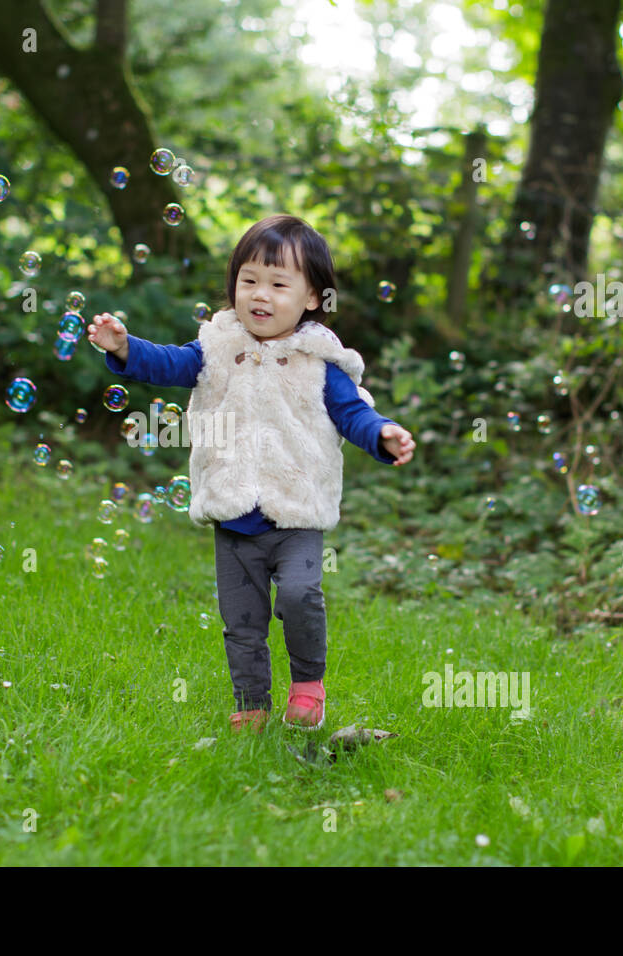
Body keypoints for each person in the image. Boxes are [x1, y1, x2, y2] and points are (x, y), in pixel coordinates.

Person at [88, 214, 415, 733]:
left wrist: (382, 434)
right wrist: (124, 348)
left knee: (300, 595)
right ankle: (252, 706)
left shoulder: (319, 361)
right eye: (249, 280)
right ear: (234, 285)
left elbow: (353, 414)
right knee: (242, 625)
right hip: (234, 512)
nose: (260, 294)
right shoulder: (218, 347)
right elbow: (169, 363)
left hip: (296, 510)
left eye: (279, 283)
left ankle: (308, 683)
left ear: (311, 297)